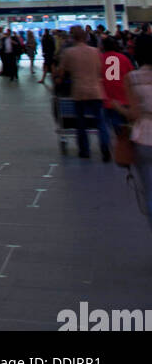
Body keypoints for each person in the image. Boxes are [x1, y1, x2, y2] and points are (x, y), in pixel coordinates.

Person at [54, 25, 111, 161]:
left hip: (79, 91)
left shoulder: (69, 53)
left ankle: (84, 150)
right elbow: (100, 69)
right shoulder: (96, 51)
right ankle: (105, 149)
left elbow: (61, 72)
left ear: (73, 38)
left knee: (81, 122)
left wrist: (59, 77)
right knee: (100, 122)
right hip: (96, 90)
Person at [125, 34, 152, 220]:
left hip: (144, 137)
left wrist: (118, 108)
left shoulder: (132, 78)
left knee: (149, 190)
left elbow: (134, 114)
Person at [101, 35, 133, 136]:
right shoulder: (124, 58)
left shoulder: (100, 59)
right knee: (123, 128)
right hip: (124, 98)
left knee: (108, 126)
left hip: (106, 99)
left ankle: (109, 146)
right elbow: (131, 76)